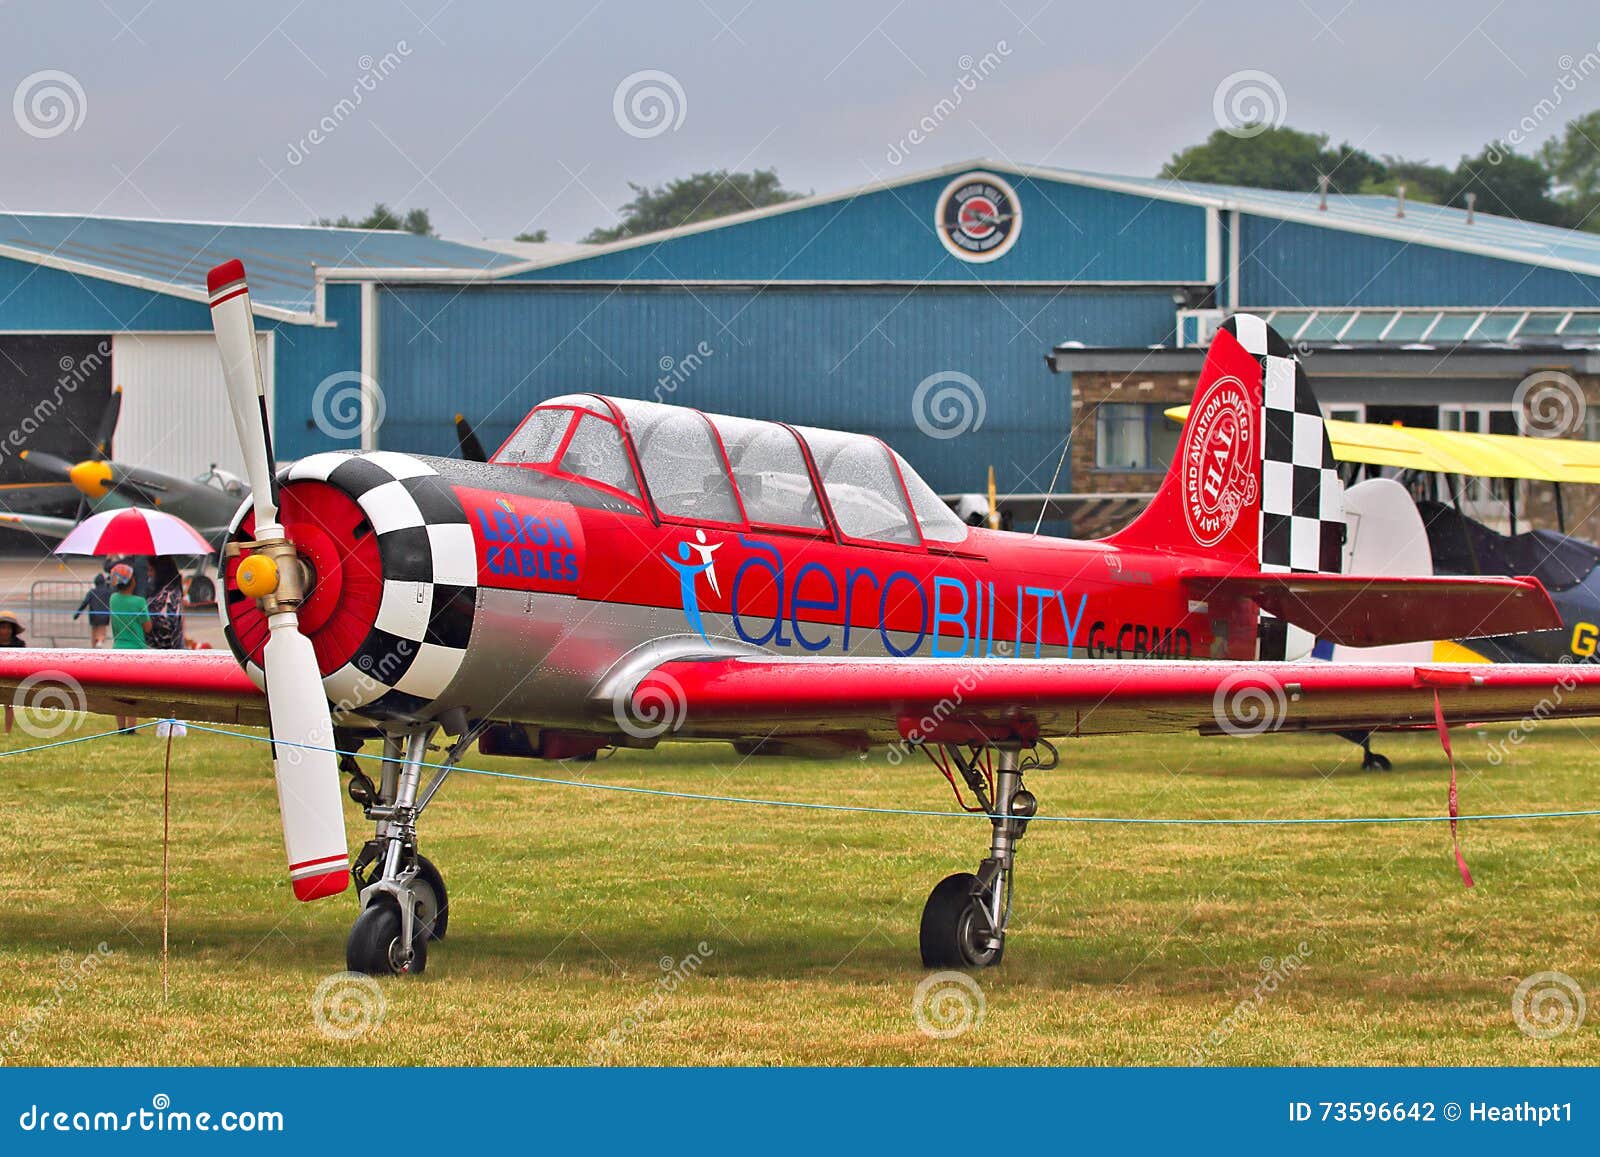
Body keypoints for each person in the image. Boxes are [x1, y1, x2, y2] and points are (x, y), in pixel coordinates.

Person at [107, 563, 150, 734]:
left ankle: (121, 727)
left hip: (118, 648)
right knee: (133, 691)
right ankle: (132, 728)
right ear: (132, 582)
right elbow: (147, 627)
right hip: (136, 650)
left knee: (119, 690)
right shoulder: (139, 602)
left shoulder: (113, 600)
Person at [146, 557, 185, 650]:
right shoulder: (175, 591)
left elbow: (165, 624)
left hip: (162, 651)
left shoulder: (164, 597)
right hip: (175, 648)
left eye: (151, 570)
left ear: (160, 571)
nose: (149, 574)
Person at [0, 610, 24, 735]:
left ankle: (7, 731)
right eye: (3, 627)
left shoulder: (19, 645)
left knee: (8, 705)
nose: (6, 631)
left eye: (9, 628)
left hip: (10, 679)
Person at [74, 571, 112, 647]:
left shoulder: (92, 592)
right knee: (102, 632)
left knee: (94, 632)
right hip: (104, 616)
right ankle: (100, 641)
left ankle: (94, 646)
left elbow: (84, 603)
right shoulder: (108, 592)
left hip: (93, 616)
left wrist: (77, 613)